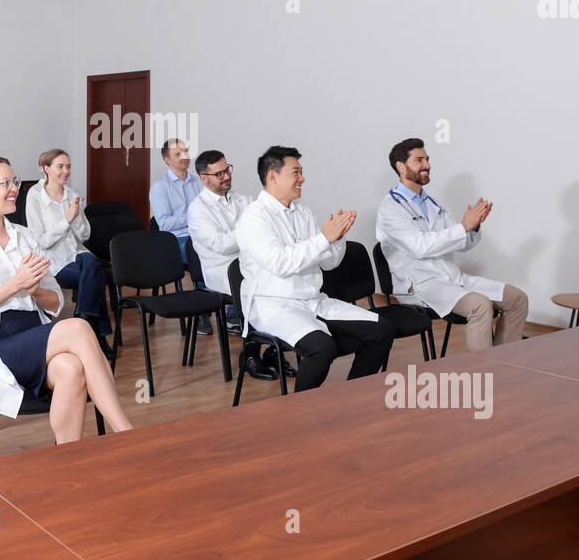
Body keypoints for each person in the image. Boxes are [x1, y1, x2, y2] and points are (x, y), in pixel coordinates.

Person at [0, 155, 133, 443]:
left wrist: (34, 290)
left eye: (15, 181)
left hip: (35, 335)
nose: (14, 188)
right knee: (78, 327)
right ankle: (127, 434)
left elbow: (56, 302)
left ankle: (69, 456)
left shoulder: (26, 237)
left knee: (71, 368)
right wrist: (14, 284)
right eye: (5, 183)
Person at [235, 145, 395, 392]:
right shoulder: (254, 217)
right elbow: (281, 263)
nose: (302, 178)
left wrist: (336, 238)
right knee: (322, 349)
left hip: (313, 300)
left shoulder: (303, 212)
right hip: (275, 304)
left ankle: (352, 398)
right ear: (273, 176)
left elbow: (328, 263)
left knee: (382, 330)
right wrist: (323, 238)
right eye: (296, 172)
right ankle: (301, 416)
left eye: (302, 172)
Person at [375, 138, 528, 352]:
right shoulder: (390, 208)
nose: (427, 165)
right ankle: (485, 373)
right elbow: (420, 246)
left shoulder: (432, 203)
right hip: (421, 285)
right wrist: (462, 226)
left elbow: (461, 244)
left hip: (451, 277)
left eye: (427, 159)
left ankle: (506, 362)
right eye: (419, 160)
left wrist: (472, 227)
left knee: (517, 299)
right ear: (401, 167)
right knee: (480, 306)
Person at [186, 149, 282, 379]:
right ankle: (250, 355)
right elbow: (221, 245)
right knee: (257, 288)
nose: (226, 176)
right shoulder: (197, 210)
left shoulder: (244, 200)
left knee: (283, 279)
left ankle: (274, 351)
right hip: (222, 271)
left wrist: (249, 234)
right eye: (219, 174)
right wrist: (249, 231)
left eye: (227, 169)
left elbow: (266, 227)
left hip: (249, 263)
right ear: (204, 178)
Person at [24, 149, 112, 343]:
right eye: (60, 167)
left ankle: (83, 321)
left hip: (78, 254)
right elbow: (41, 241)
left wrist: (76, 217)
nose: (66, 171)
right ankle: (98, 334)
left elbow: (85, 235)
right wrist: (66, 220)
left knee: (91, 264)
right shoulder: (35, 195)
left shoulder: (72, 194)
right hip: (53, 260)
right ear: (46, 169)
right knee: (95, 274)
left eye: (68, 166)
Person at [148, 137, 207, 332]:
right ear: (167, 160)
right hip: (175, 241)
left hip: (199, 235)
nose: (184, 157)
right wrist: (194, 216)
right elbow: (164, 223)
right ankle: (201, 313)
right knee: (197, 250)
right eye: (178, 154)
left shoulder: (198, 183)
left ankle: (233, 313)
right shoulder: (160, 187)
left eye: (186, 151)